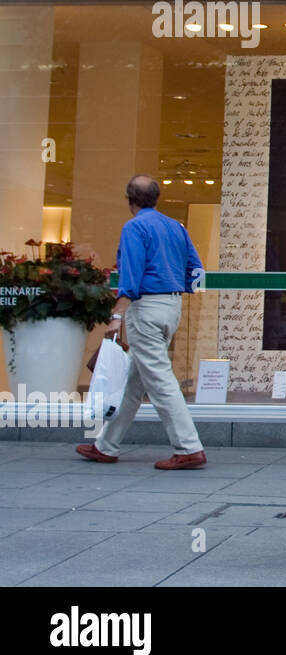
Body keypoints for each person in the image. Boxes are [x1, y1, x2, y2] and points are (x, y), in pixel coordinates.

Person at [76, 176, 208, 470]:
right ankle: (105, 446)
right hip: (172, 306)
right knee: (135, 379)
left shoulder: (134, 227)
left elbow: (131, 278)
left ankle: (189, 447)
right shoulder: (176, 227)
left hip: (146, 308)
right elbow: (195, 270)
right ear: (157, 198)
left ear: (129, 199)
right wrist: (175, 290)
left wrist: (116, 315)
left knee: (160, 379)